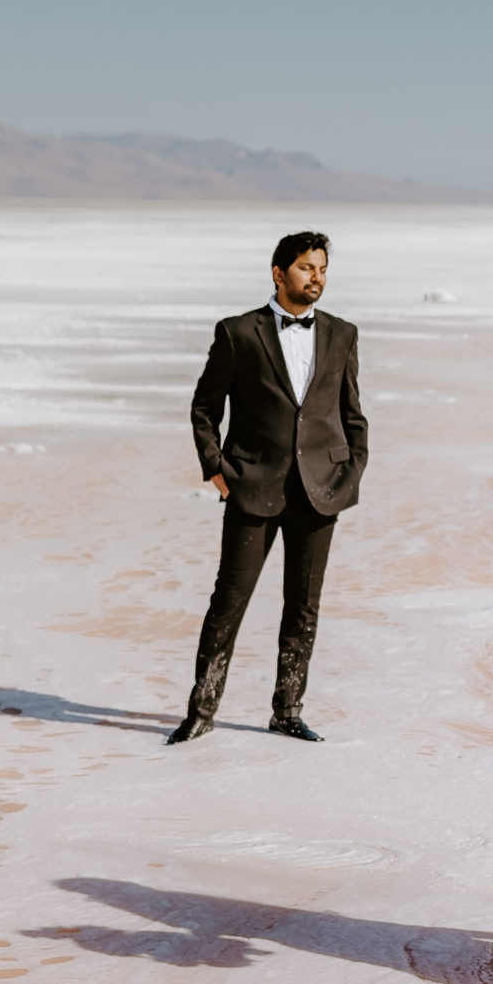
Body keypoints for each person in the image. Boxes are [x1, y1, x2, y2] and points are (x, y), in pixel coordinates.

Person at [166, 231, 368, 747]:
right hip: (252, 487)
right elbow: (204, 407)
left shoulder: (343, 334)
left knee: (303, 606)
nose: (316, 277)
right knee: (228, 603)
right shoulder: (238, 333)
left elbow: (352, 415)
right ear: (279, 274)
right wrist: (216, 466)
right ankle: (201, 712)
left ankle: (287, 711)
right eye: (305, 267)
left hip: (320, 490)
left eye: (322, 268)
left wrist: (351, 473)